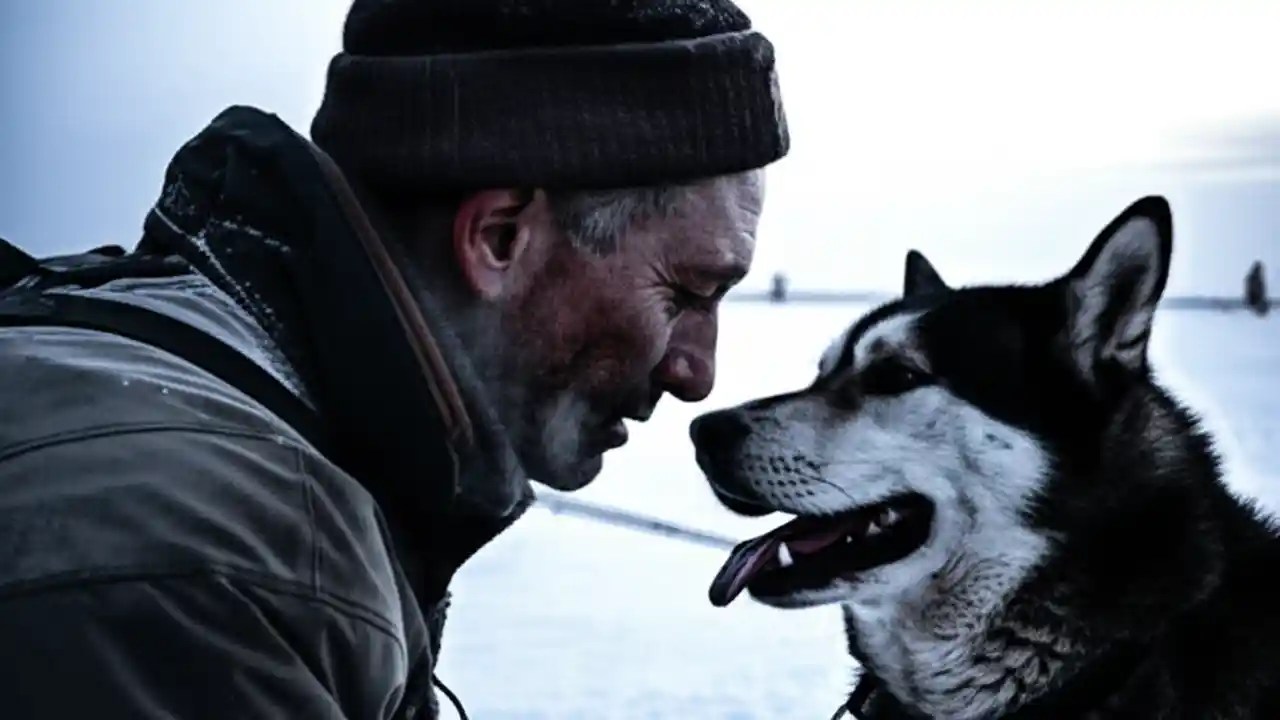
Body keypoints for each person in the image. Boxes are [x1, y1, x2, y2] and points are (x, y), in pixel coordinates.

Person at [0, 1, 789, 718]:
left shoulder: (216, 395)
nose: (697, 374)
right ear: (499, 238)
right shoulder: (220, 574)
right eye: (685, 293)